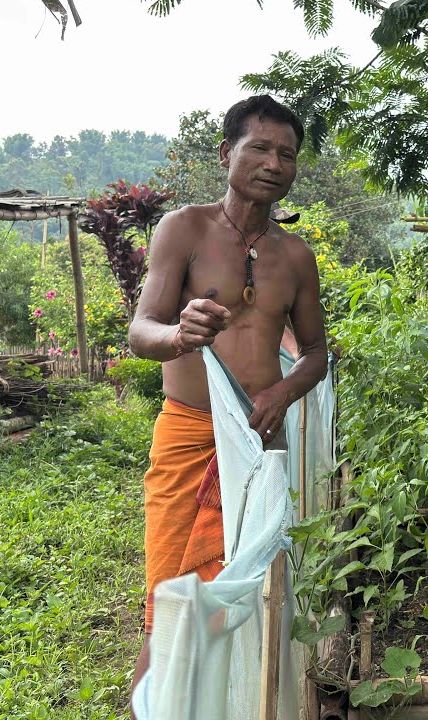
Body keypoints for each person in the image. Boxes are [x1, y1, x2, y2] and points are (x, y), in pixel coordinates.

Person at [126, 94, 328, 705]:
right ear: (226, 154)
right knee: (173, 597)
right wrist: (179, 334)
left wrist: (283, 391)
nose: (274, 163)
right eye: (259, 148)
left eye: (287, 154)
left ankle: (239, 705)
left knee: (251, 597)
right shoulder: (184, 229)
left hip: (262, 445)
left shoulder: (296, 257)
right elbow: (141, 331)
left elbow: (316, 354)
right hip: (189, 434)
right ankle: (157, 709)